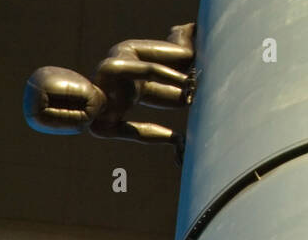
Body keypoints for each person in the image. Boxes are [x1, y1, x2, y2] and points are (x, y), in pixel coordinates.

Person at [23, 23, 197, 166]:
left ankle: (179, 31)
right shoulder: (101, 126)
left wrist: (183, 80)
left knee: (185, 57)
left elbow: (150, 70)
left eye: (69, 100)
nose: (75, 107)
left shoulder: (108, 71)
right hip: (143, 92)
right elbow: (137, 132)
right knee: (183, 99)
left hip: (135, 54)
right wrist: (174, 138)